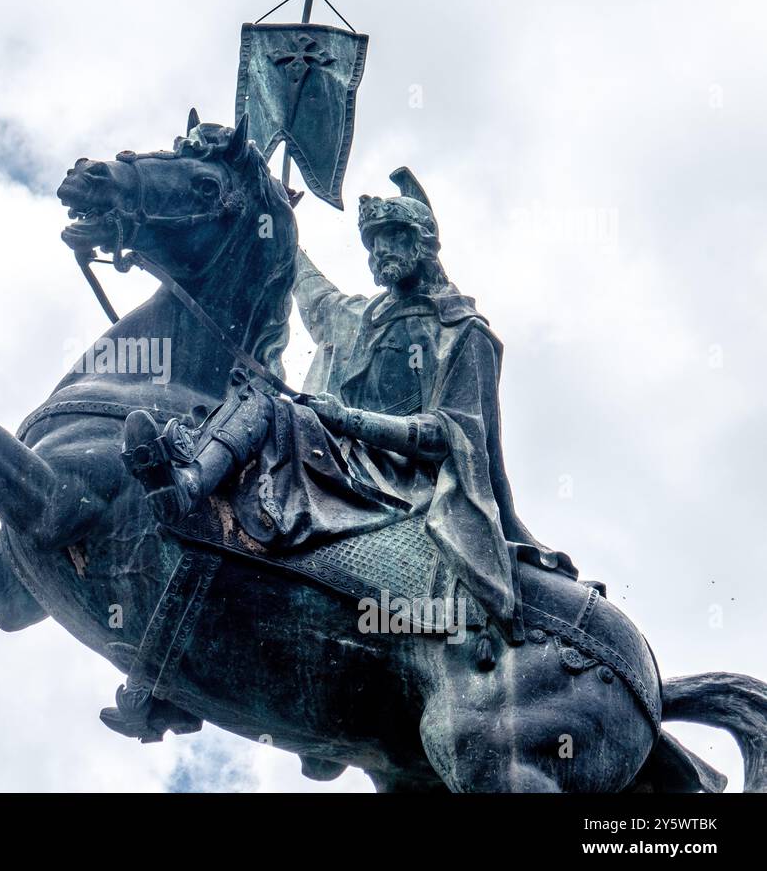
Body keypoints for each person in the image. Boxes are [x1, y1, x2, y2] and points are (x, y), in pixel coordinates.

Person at [121, 168, 574, 641]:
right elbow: (309, 287)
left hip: (395, 478)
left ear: (423, 242)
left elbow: (450, 435)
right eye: (373, 243)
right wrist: (274, 221)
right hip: (330, 452)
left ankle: (189, 480)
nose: (380, 252)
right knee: (239, 405)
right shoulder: (356, 316)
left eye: (391, 238)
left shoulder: (461, 331)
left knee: (263, 404)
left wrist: (347, 418)